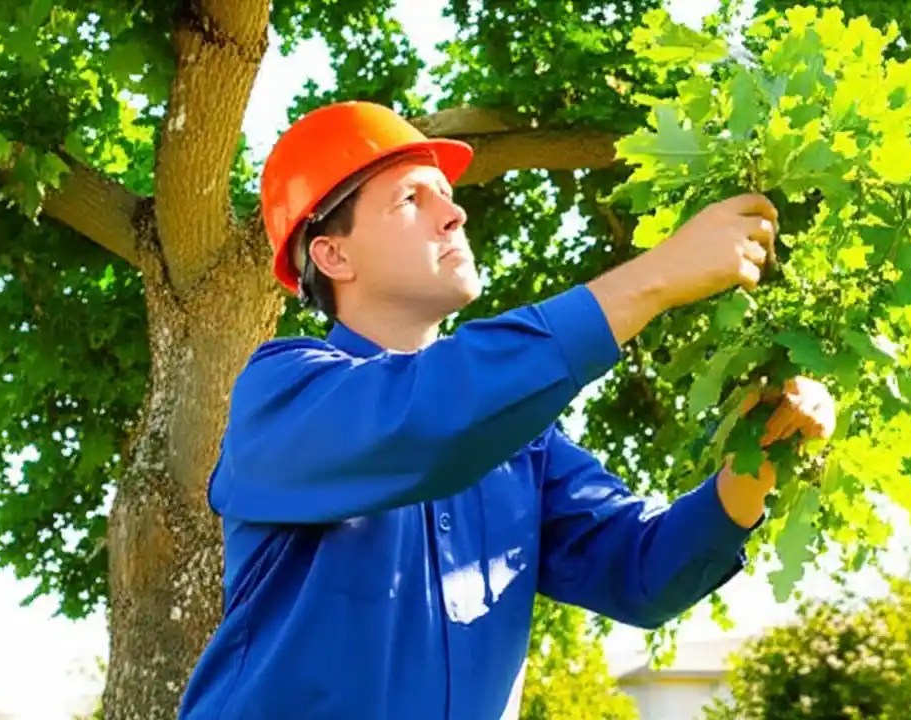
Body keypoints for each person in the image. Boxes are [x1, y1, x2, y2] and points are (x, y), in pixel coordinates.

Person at [177, 100, 835, 719]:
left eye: (450, 197)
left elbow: (642, 570)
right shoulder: (281, 395)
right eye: (413, 198)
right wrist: (654, 277)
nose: (454, 214)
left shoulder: (525, 447)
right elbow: (429, 420)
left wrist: (760, 450)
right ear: (332, 253)